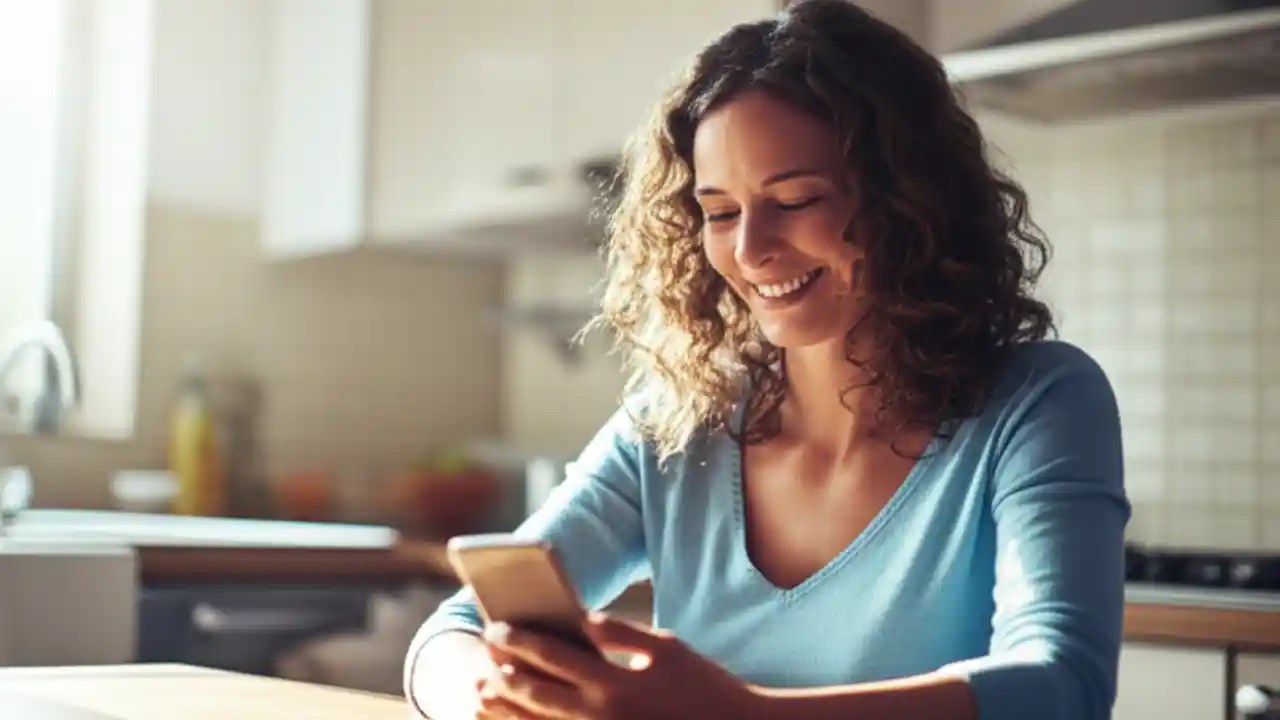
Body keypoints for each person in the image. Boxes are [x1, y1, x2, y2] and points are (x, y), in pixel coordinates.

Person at [404, 1, 1129, 718]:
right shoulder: (674, 429)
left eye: (795, 199)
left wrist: (745, 715)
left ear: (911, 204)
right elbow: (449, 636)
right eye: (720, 212)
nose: (749, 250)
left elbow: (1062, 687)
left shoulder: (1038, 400)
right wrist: (499, 697)